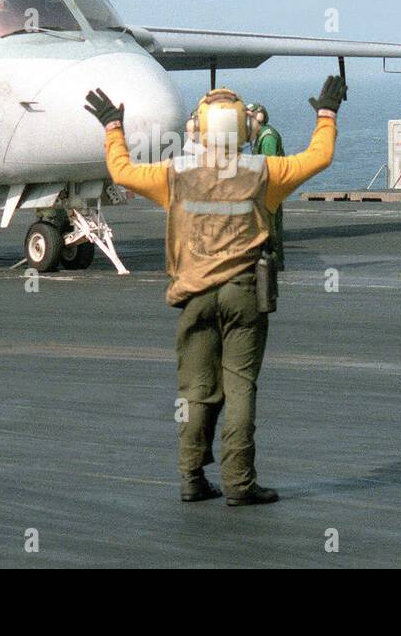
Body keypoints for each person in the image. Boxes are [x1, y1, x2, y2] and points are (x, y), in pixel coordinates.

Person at [84, 77, 346, 506]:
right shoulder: (265, 172)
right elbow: (320, 156)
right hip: (244, 293)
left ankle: (191, 479)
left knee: (196, 391)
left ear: (198, 130)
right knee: (240, 387)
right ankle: (240, 485)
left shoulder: (175, 175)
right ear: (245, 129)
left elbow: (122, 172)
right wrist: (327, 115)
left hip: (194, 294)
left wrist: (113, 127)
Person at [246, 103, 286, 269]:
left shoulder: (267, 137)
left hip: (270, 189)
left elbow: (269, 166)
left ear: (258, 118)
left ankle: (274, 261)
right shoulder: (260, 136)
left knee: (271, 226)